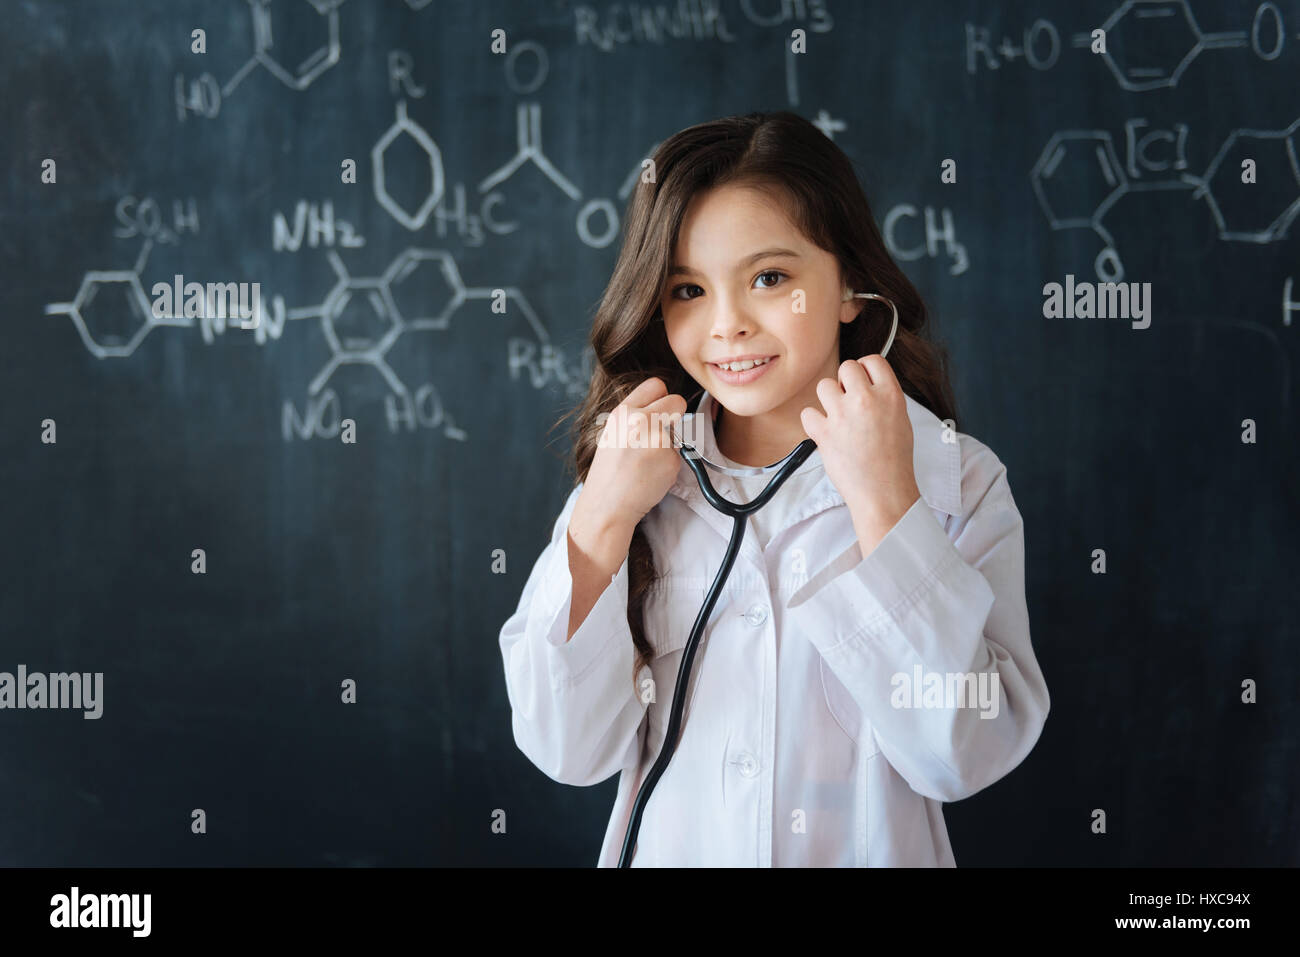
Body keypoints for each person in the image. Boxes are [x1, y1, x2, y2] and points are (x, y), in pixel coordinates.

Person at [498, 111, 1050, 867]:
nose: (726, 325)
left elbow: (965, 754)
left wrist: (889, 503)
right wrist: (603, 519)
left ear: (851, 285)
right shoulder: (632, 478)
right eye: (688, 289)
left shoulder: (954, 475)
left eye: (769, 278)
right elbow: (566, 747)